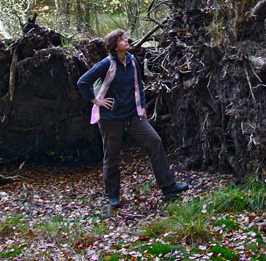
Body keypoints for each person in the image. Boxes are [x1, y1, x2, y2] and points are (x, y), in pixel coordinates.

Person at [77, 29, 188, 208]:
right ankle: (112, 195)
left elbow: (138, 86)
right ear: (114, 47)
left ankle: (169, 187)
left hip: (132, 115)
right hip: (110, 117)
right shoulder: (106, 64)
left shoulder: (132, 61)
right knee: (111, 155)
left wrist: (142, 107)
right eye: (121, 40)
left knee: (155, 142)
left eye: (124, 38)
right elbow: (83, 82)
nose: (125, 41)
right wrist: (96, 100)